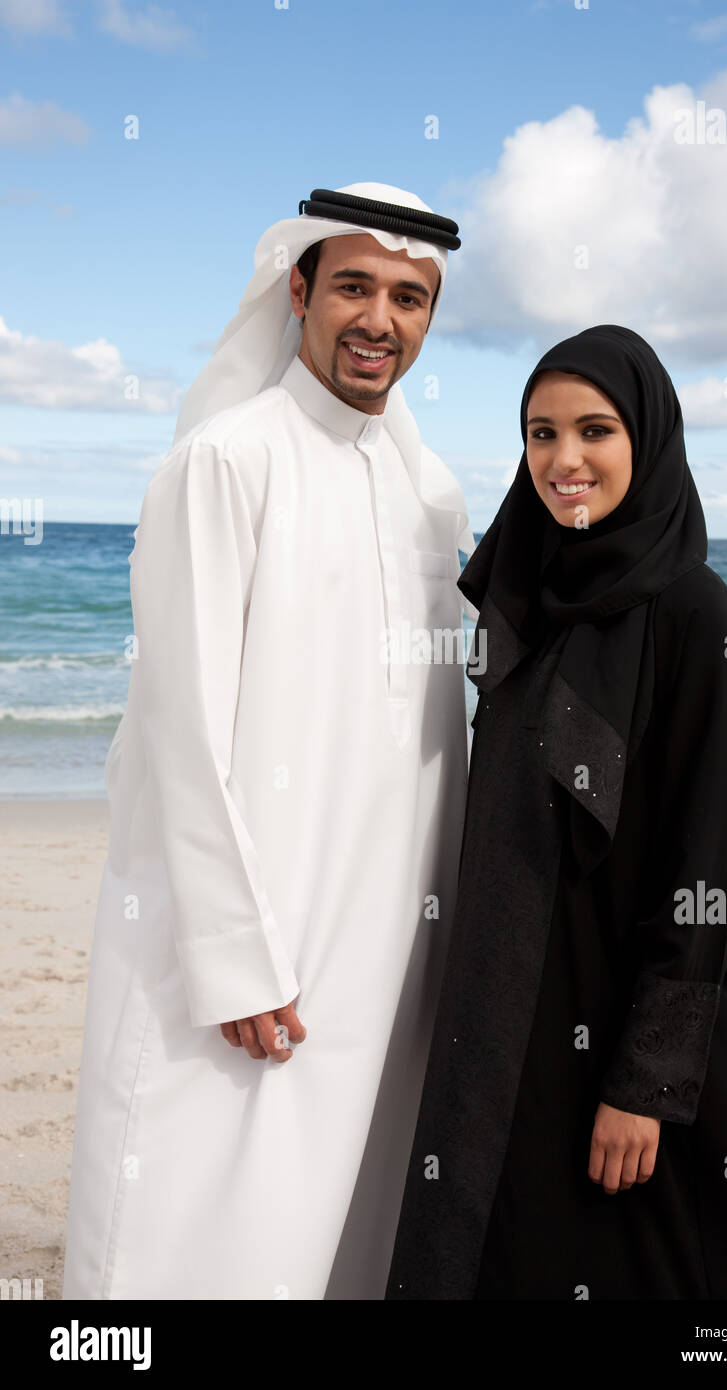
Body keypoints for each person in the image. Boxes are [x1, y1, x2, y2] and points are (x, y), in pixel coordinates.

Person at [62, 183, 475, 1300]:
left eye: (409, 296)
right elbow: (180, 728)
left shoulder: (430, 491)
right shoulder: (224, 462)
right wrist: (232, 948)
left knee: (343, 1217)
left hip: (386, 937)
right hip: (240, 946)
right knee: (186, 1220)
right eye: (352, 286)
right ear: (296, 291)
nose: (379, 319)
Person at [385, 324, 727, 1300]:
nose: (562, 460)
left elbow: (712, 875)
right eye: (539, 433)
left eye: (593, 431)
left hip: (633, 1030)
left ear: (646, 439)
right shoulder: (524, 602)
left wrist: (645, 1083)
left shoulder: (701, 619)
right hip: (513, 1015)